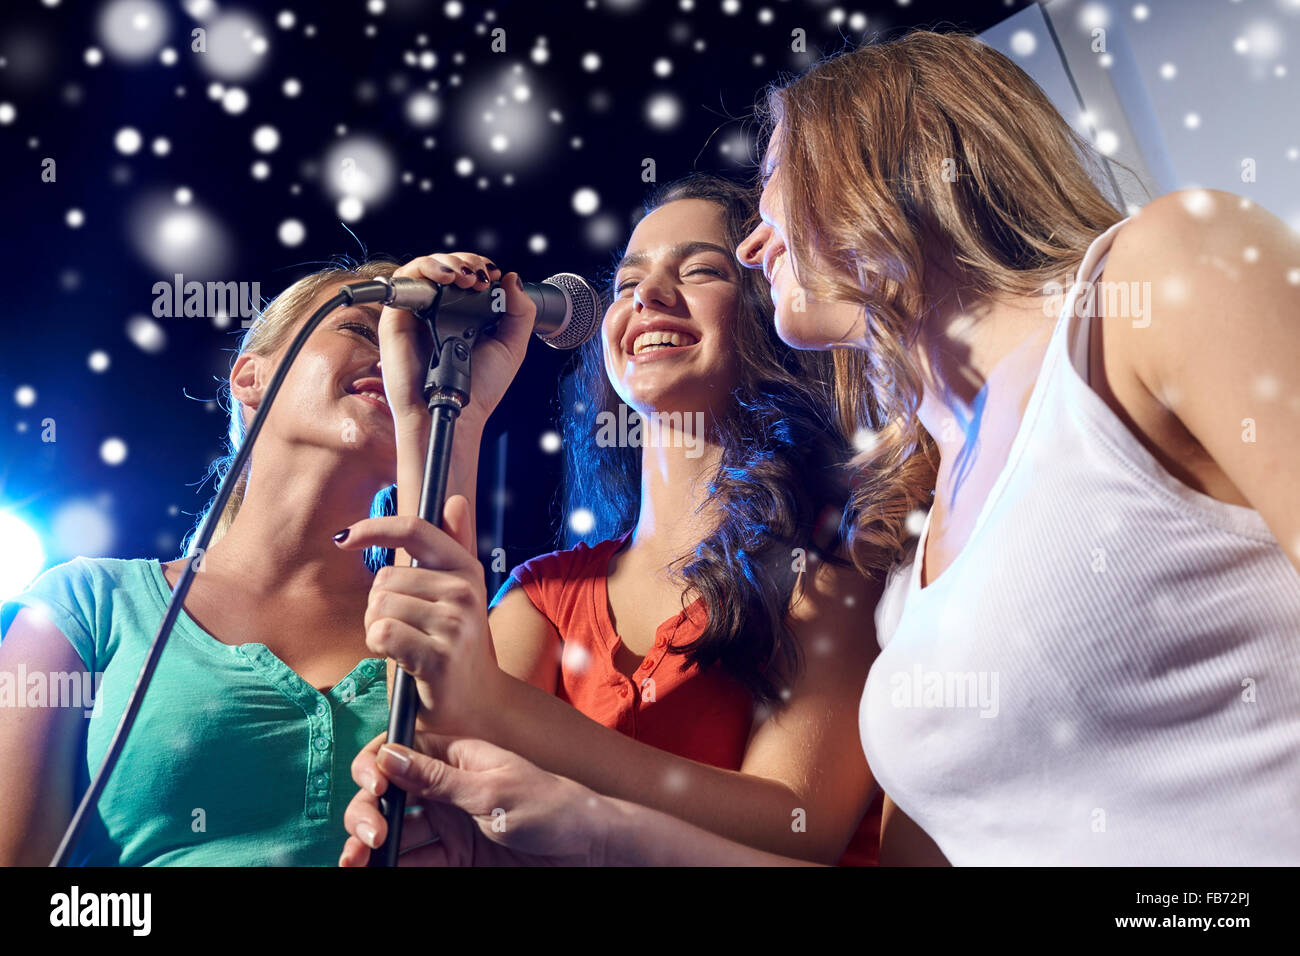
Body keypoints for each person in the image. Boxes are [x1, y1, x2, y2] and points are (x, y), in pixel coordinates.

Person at [338, 29, 1300, 866]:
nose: (760, 245)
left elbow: (800, 825)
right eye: (629, 281)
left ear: (885, 158)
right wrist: (580, 834)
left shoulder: (1165, 268)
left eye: (769, 194)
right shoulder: (923, 539)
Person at [334, 172, 886, 867]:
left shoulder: (830, 566)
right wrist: (439, 419)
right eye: (627, 285)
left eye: (701, 271)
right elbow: (431, 716)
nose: (648, 296)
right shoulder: (548, 595)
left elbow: (801, 823)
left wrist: (495, 706)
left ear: (769, 308)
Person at [0, 252, 534, 865]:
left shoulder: (450, 630)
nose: (393, 360)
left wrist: (451, 415)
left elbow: (475, 810)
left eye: (413, 345)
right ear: (250, 377)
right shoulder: (88, 604)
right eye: (363, 329)